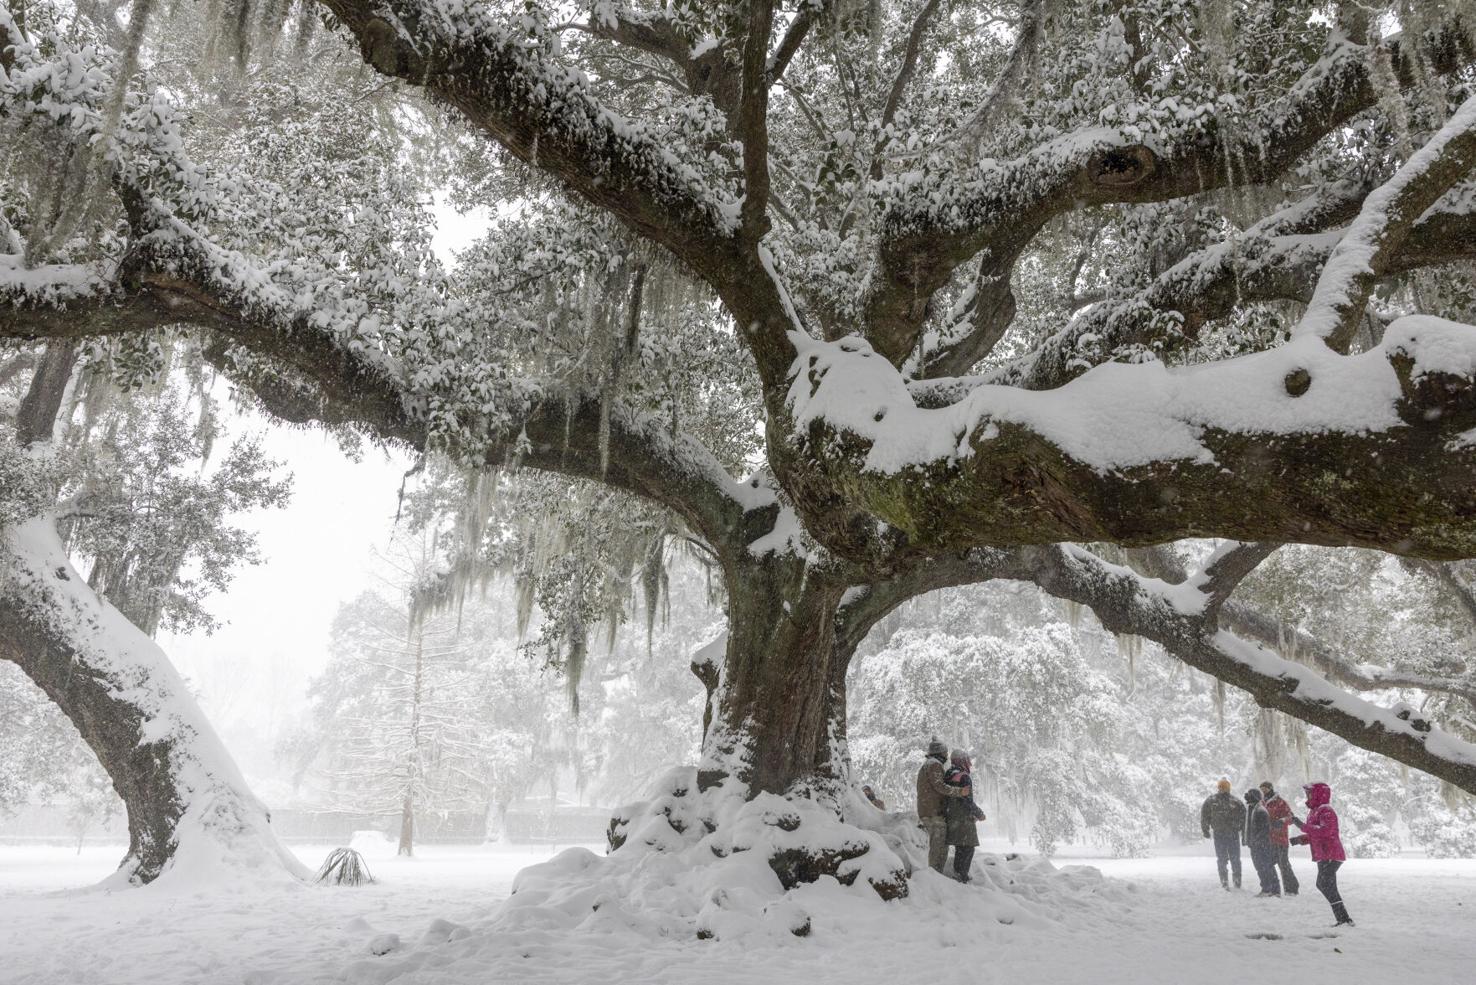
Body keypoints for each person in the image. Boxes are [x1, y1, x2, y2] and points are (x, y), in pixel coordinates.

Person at [1289, 782, 1353, 927]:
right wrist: (1300, 839)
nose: (1308, 796)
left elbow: (1325, 831)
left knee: (1323, 884)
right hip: (1323, 854)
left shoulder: (1326, 810)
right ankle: (1343, 919)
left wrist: (1300, 825)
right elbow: (1316, 834)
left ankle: (1344, 918)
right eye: (1307, 793)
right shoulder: (1315, 811)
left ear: (1319, 794)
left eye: (1310, 793)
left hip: (1331, 854)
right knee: (1328, 886)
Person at [915, 737, 971, 873]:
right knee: (938, 847)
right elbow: (939, 786)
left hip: (928, 810)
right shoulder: (934, 765)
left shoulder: (927, 765)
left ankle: (936, 873)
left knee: (939, 845)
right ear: (939, 753)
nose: (947, 756)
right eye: (945, 753)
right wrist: (960, 792)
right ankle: (935, 875)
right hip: (933, 813)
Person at [943, 749, 986, 883]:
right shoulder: (963, 776)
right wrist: (979, 814)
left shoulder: (948, 774)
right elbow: (966, 800)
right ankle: (961, 876)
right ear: (962, 761)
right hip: (963, 818)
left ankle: (958, 873)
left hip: (951, 816)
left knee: (960, 847)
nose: (969, 763)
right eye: (967, 760)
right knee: (967, 847)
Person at [1201, 778, 1247, 889]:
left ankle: (1237, 881)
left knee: (1235, 859)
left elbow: (1244, 818)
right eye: (1221, 787)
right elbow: (1205, 816)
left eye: (1225, 787)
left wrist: (1243, 832)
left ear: (1228, 788)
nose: (1222, 789)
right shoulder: (1211, 801)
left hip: (1233, 835)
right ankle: (1224, 881)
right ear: (1218, 788)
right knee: (1221, 858)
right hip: (1219, 835)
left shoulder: (1236, 802)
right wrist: (1205, 830)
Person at [1259, 781, 1300, 895]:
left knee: (1283, 865)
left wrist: (1282, 821)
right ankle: (1272, 888)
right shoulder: (1261, 803)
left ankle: (1292, 889)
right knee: (1267, 864)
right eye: (1261, 789)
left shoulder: (1280, 802)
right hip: (1267, 840)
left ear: (1271, 789)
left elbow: (1291, 817)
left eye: (1265, 789)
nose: (1263, 791)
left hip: (1280, 838)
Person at [1243, 788, 1281, 897]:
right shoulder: (1251, 808)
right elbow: (1248, 827)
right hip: (1254, 844)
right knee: (1260, 867)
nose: (1246, 797)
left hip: (1262, 845)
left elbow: (1265, 829)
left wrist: (1256, 841)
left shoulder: (1260, 810)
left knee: (1266, 866)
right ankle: (1268, 888)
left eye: (1249, 795)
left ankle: (1271, 889)